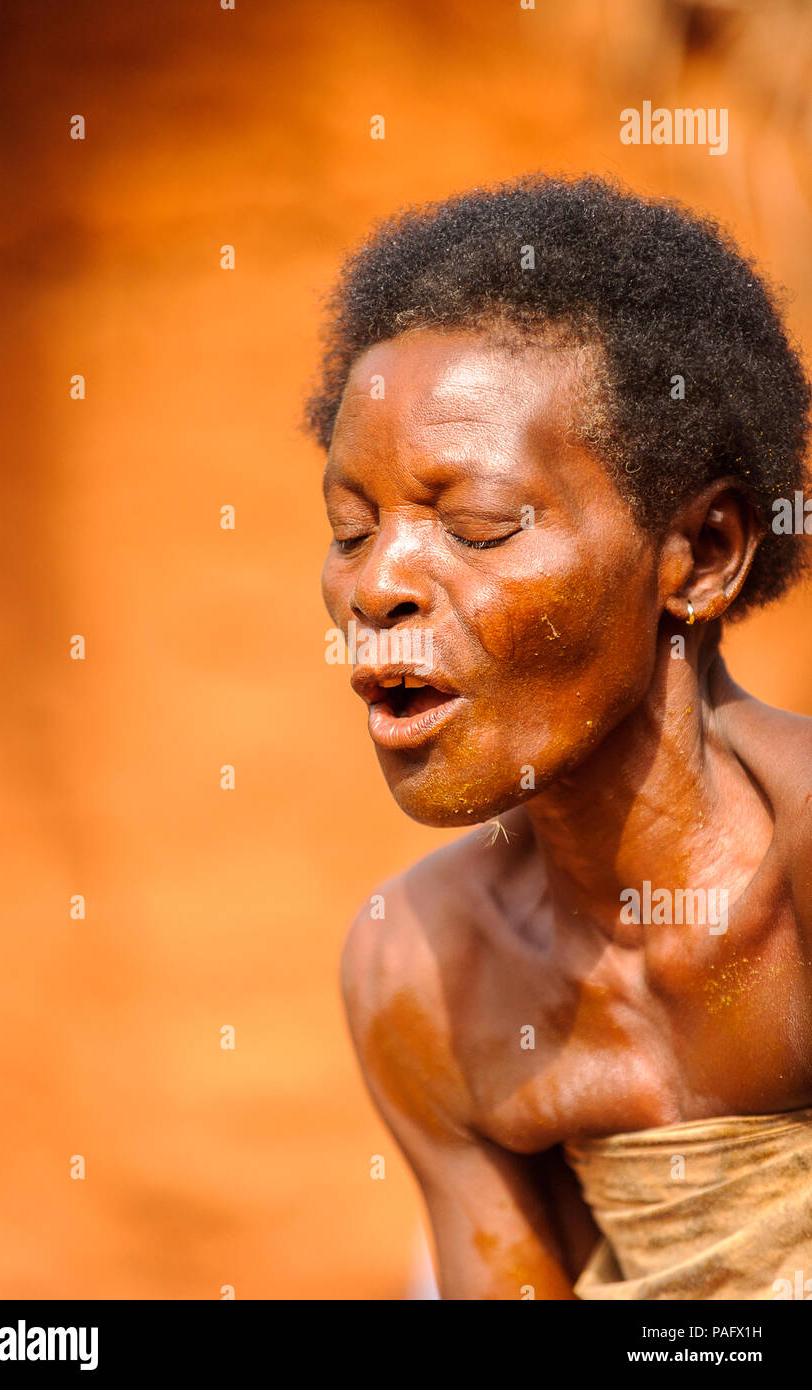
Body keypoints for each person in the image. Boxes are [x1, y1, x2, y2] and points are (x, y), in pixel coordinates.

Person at [306, 175, 812, 1300]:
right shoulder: (426, 975)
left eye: (478, 526)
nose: (377, 583)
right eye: (350, 528)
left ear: (702, 553)